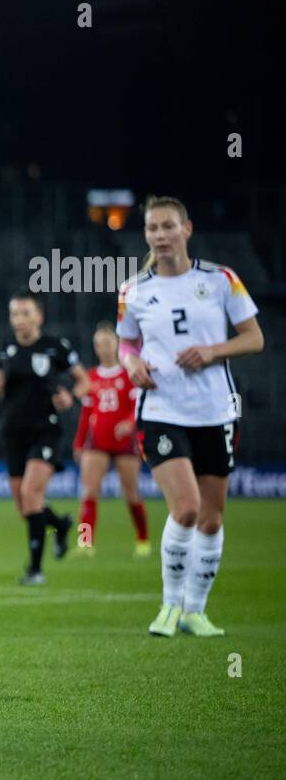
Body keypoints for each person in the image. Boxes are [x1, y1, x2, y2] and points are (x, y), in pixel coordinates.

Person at [116, 195, 263, 637]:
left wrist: (213, 351)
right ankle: (168, 607)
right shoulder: (134, 290)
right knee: (185, 509)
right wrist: (131, 366)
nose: (159, 236)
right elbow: (125, 343)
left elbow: (253, 338)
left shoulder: (222, 281)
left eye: (167, 227)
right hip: (161, 409)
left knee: (212, 518)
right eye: (152, 229)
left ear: (187, 230)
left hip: (216, 411)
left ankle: (195, 611)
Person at [0, 292, 90, 585]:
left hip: (46, 429)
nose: (19, 319)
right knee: (25, 508)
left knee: (32, 495)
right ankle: (59, 524)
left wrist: (71, 395)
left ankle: (35, 571)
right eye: (15, 314)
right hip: (13, 432)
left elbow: (85, 381)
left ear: (38, 316)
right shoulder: (3, 349)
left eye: (25, 313)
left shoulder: (56, 347)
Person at [71, 322, 150, 557]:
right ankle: (85, 543)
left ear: (117, 344)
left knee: (131, 495)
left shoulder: (128, 374)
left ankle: (143, 540)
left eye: (108, 343)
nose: (103, 348)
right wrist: (79, 443)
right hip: (96, 444)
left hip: (125, 444)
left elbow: (138, 405)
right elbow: (85, 415)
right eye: (99, 344)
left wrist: (129, 423)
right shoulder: (90, 377)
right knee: (89, 493)